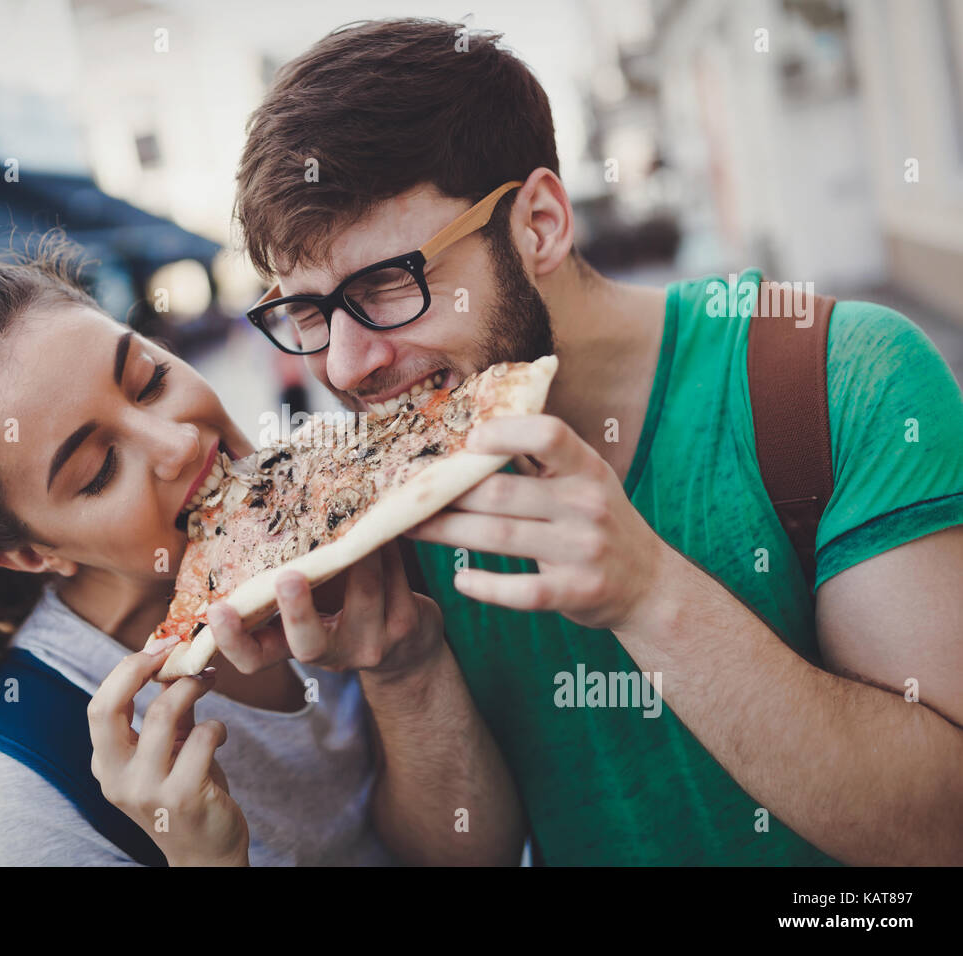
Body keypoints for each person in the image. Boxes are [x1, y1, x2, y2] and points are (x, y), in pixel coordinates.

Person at [213, 17, 963, 865]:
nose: (347, 368)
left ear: (538, 223)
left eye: (389, 284)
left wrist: (648, 596)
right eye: (307, 312)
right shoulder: (391, 514)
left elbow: (942, 825)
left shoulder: (838, 378)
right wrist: (404, 669)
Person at [0, 233, 522, 866]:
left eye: (149, 380)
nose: (178, 441)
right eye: (97, 471)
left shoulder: (331, 504)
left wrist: (404, 666)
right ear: (29, 554)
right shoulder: (19, 798)